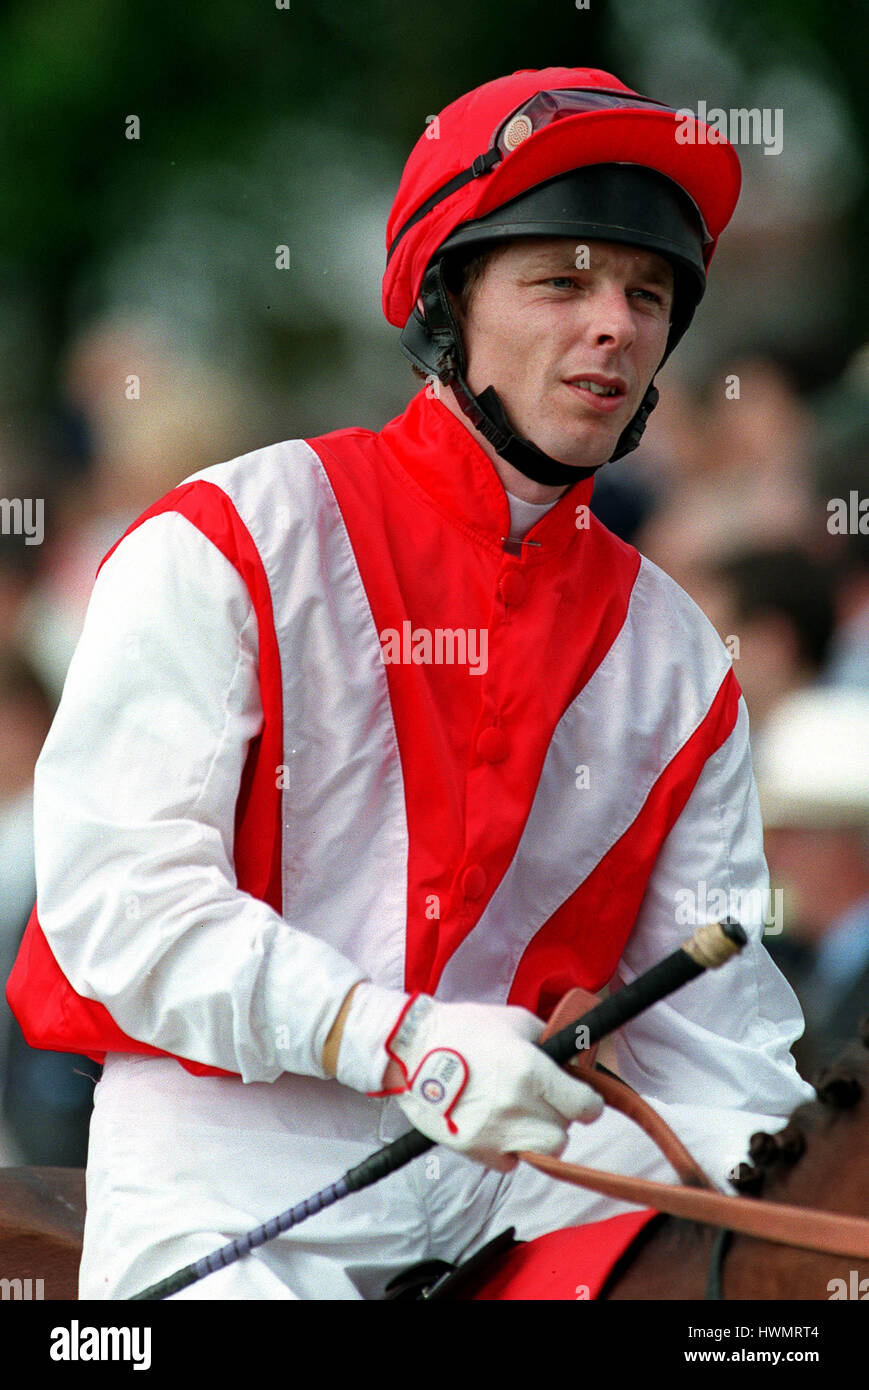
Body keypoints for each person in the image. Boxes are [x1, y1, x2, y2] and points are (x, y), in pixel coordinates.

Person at [6, 66, 814, 1300]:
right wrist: (394, 1037)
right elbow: (121, 903)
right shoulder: (229, 538)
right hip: (234, 1181)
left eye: (647, 294)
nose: (615, 324)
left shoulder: (678, 656)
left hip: (528, 1179)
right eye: (562, 281)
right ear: (446, 301)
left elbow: (721, 1053)